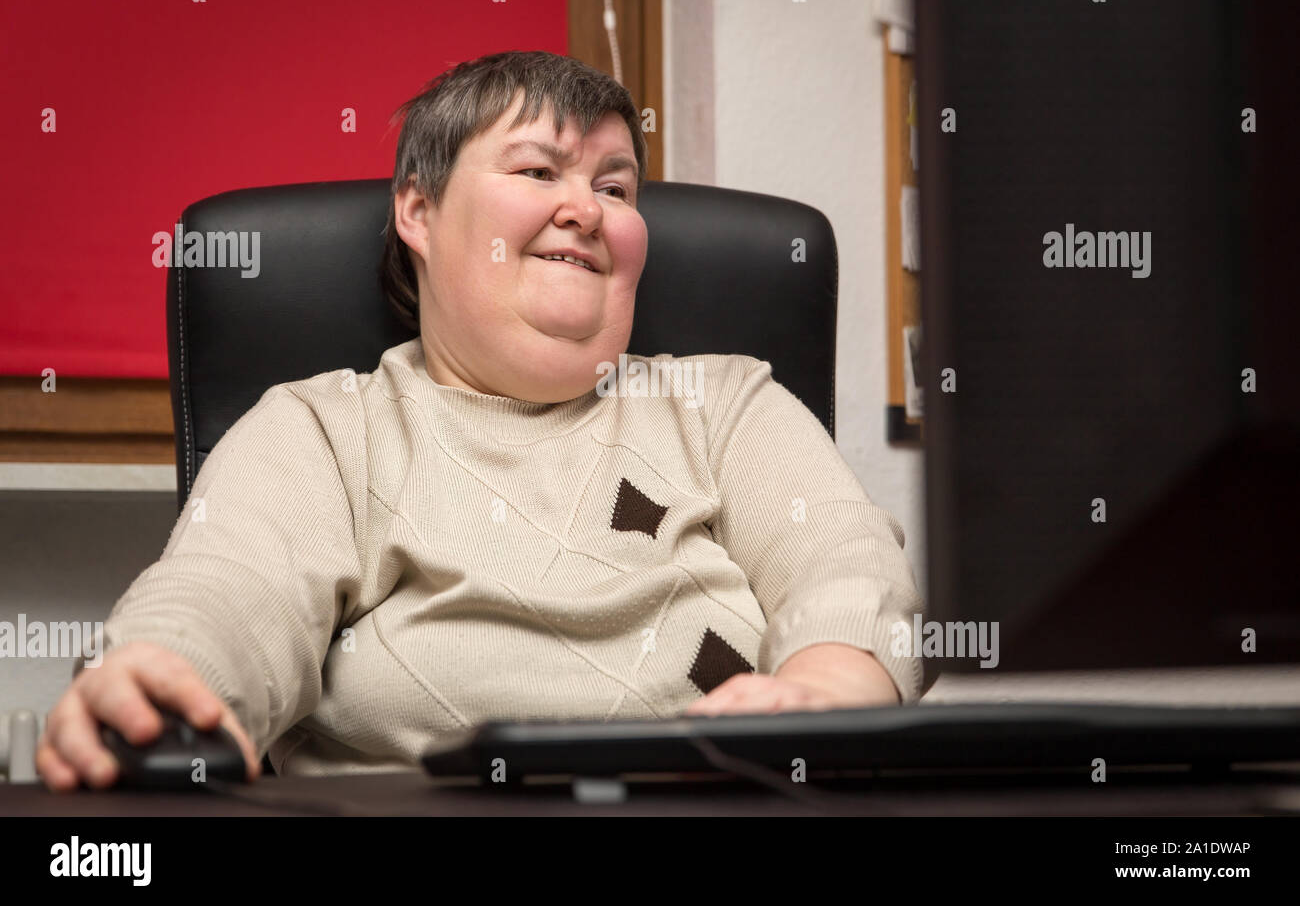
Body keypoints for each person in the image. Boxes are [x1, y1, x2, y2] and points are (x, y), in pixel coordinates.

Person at [37, 50, 924, 790]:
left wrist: (831, 680)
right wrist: (163, 677)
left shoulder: (725, 405)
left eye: (616, 187)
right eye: (539, 171)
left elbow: (843, 560)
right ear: (418, 210)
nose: (588, 208)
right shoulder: (324, 428)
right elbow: (226, 593)